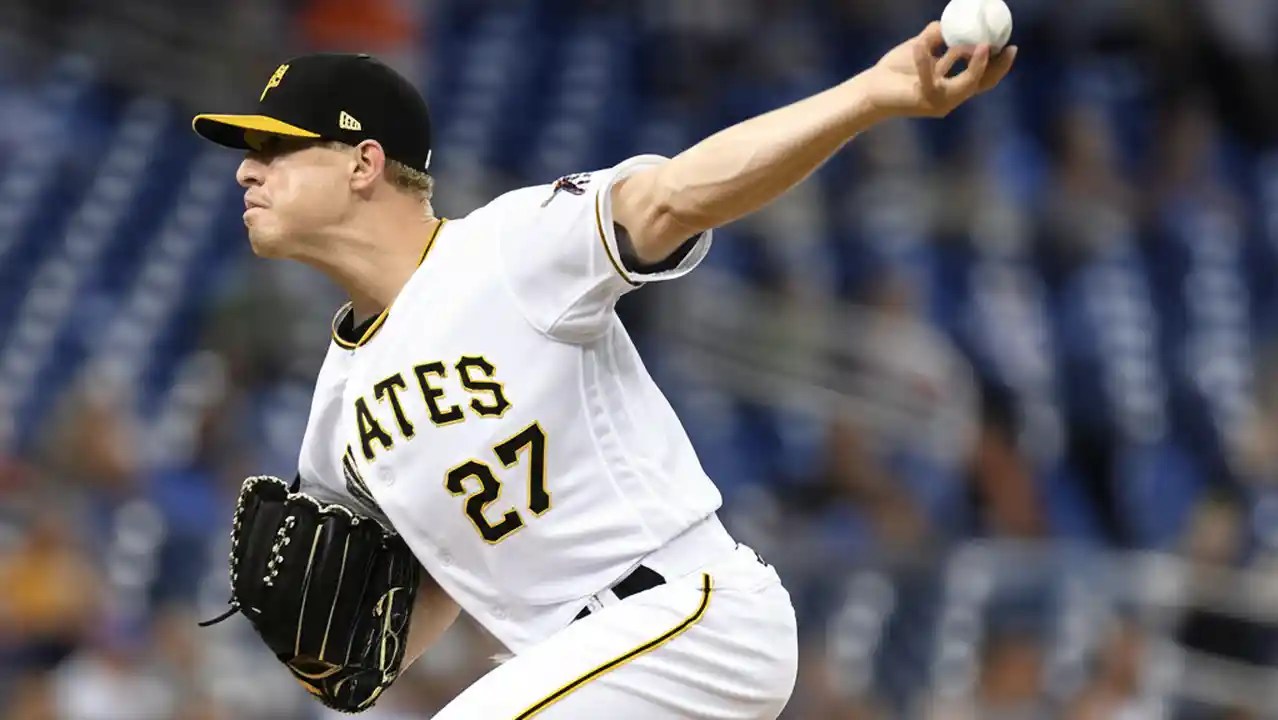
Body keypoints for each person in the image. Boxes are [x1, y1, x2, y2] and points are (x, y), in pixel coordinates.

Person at [191, 22, 1014, 719]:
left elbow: (675, 195)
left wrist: (871, 94)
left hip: (691, 618)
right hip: (592, 674)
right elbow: (401, 620)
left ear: (363, 164)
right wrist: (326, 661)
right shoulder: (336, 415)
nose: (245, 169)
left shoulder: (510, 249)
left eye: (276, 147)